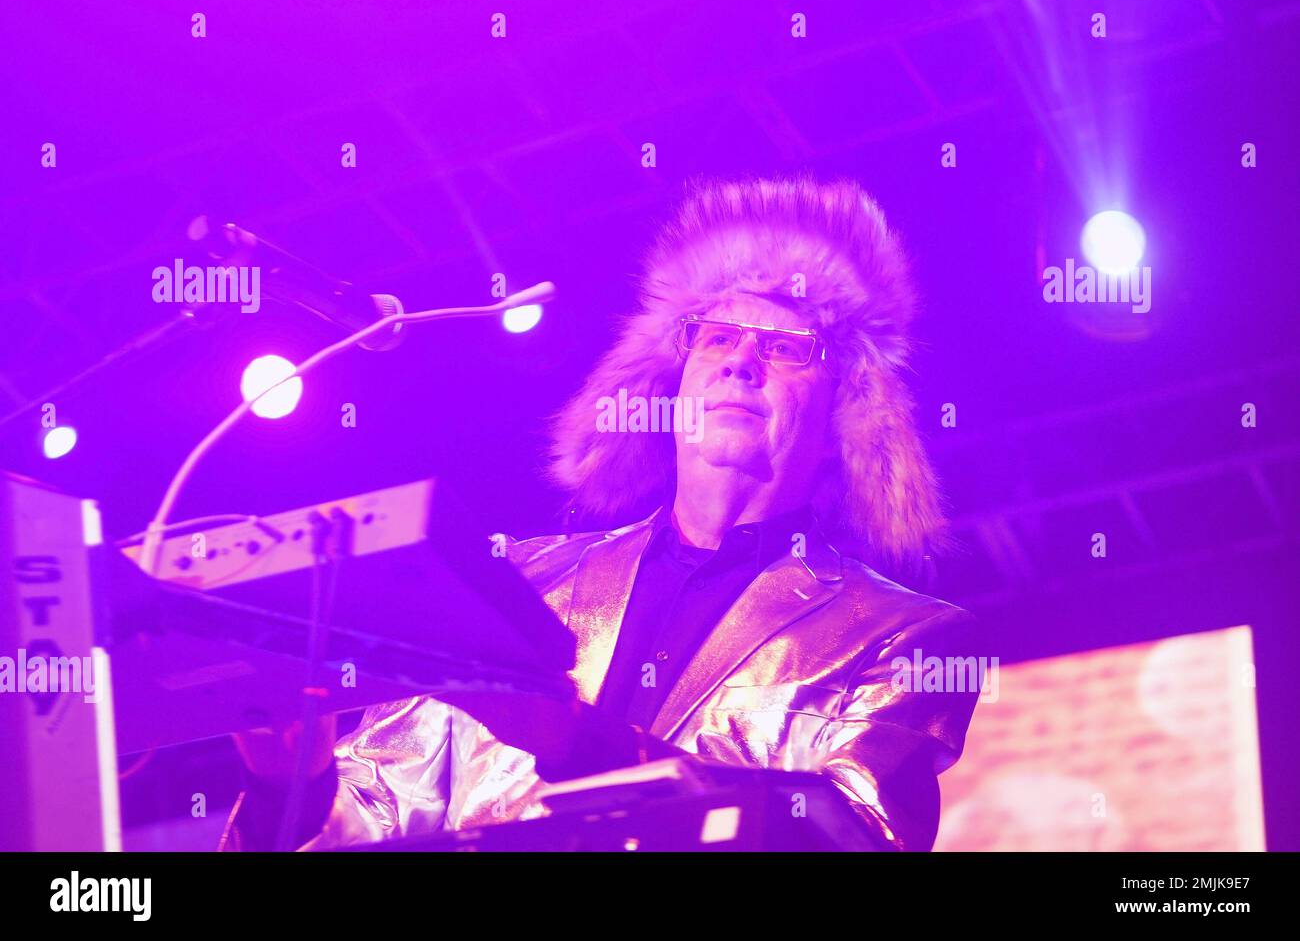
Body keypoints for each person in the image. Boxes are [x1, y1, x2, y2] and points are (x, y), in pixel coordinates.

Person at [221, 173, 984, 852]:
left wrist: (581, 744)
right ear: (673, 381)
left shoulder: (903, 638)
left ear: (846, 414)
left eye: (786, 347)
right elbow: (374, 818)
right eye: (715, 334)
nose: (738, 360)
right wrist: (291, 787)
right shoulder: (519, 583)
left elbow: (851, 840)